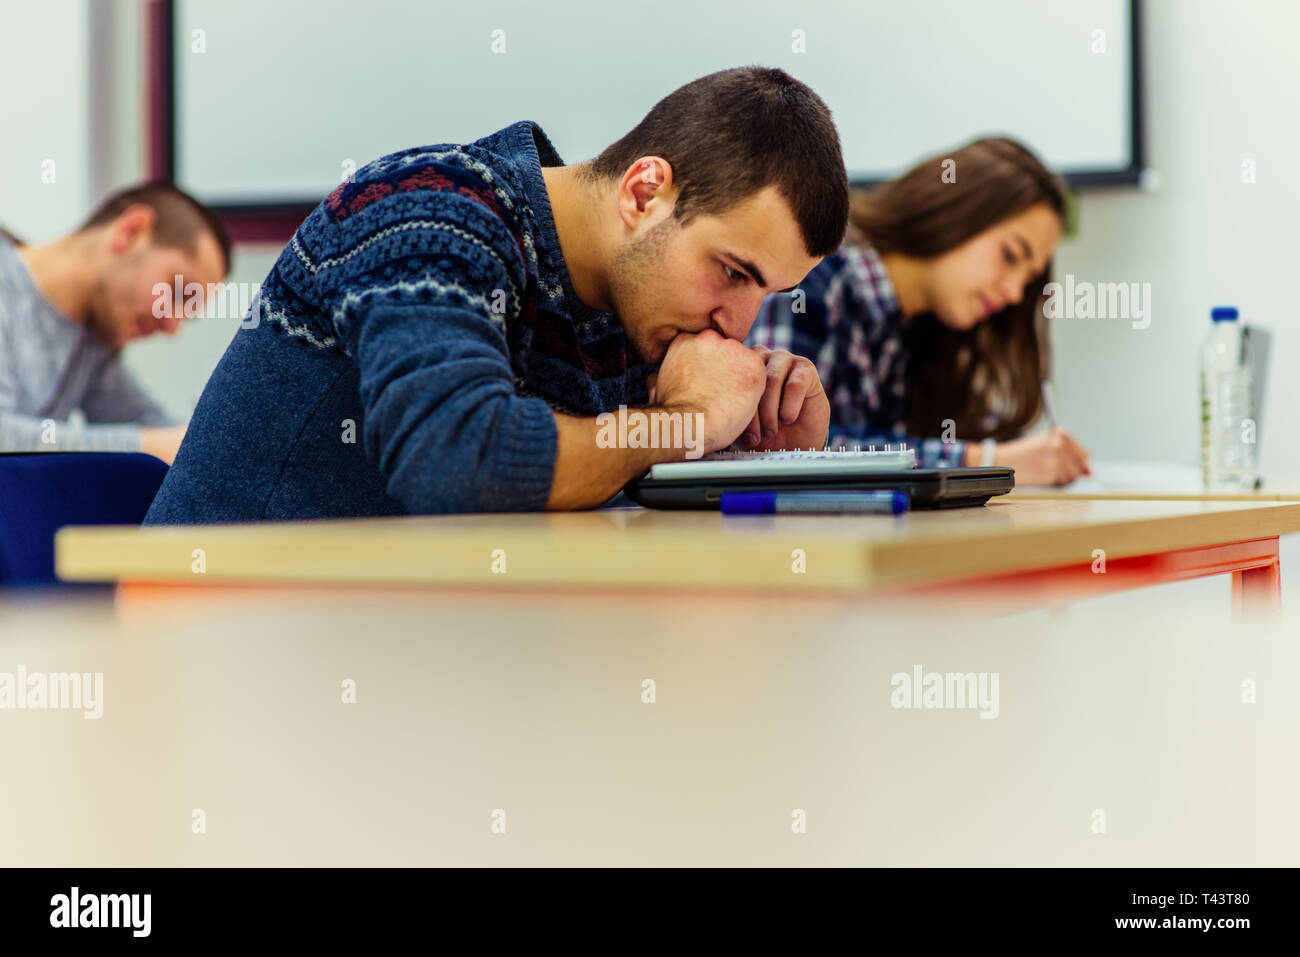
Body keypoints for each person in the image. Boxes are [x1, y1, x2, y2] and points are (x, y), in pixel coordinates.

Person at [143, 66, 849, 524]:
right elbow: (460, 462)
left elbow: (611, 478)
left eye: (770, 292)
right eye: (732, 272)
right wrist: (685, 421)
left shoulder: (634, 312)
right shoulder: (430, 209)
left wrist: (755, 451)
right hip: (226, 645)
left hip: (411, 654)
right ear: (644, 192)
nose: (738, 324)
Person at [747, 137, 1092, 486]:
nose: (1015, 293)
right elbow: (784, 449)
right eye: (1010, 255)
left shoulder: (924, 329)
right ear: (954, 209)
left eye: (1028, 278)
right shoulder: (810, 278)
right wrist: (985, 460)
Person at [0, 183, 230, 464]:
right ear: (130, 232)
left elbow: (149, 423)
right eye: (178, 291)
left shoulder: (93, 336)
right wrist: (150, 447)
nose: (173, 327)